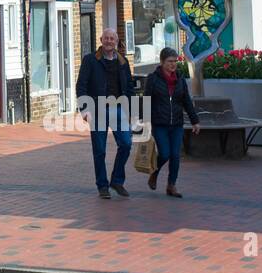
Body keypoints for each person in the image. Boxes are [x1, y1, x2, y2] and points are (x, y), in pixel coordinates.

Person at [76, 29, 135, 199]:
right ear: (101, 40)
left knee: (125, 144)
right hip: (97, 108)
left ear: (116, 41)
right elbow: (81, 86)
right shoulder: (90, 60)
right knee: (100, 150)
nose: (109, 41)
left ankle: (117, 181)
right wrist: (85, 110)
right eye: (106, 38)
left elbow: (129, 89)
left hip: (118, 108)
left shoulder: (123, 62)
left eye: (112, 38)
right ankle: (102, 186)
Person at [143, 48, 201, 197]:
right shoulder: (153, 79)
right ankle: (154, 173)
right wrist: (144, 121)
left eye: (175, 61)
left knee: (175, 155)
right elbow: (146, 101)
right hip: (159, 123)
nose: (173, 64)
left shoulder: (180, 80)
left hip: (176, 124)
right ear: (162, 62)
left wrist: (195, 121)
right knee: (164, 154)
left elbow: (187, 101)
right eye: (170, 61)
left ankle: (171, 185)